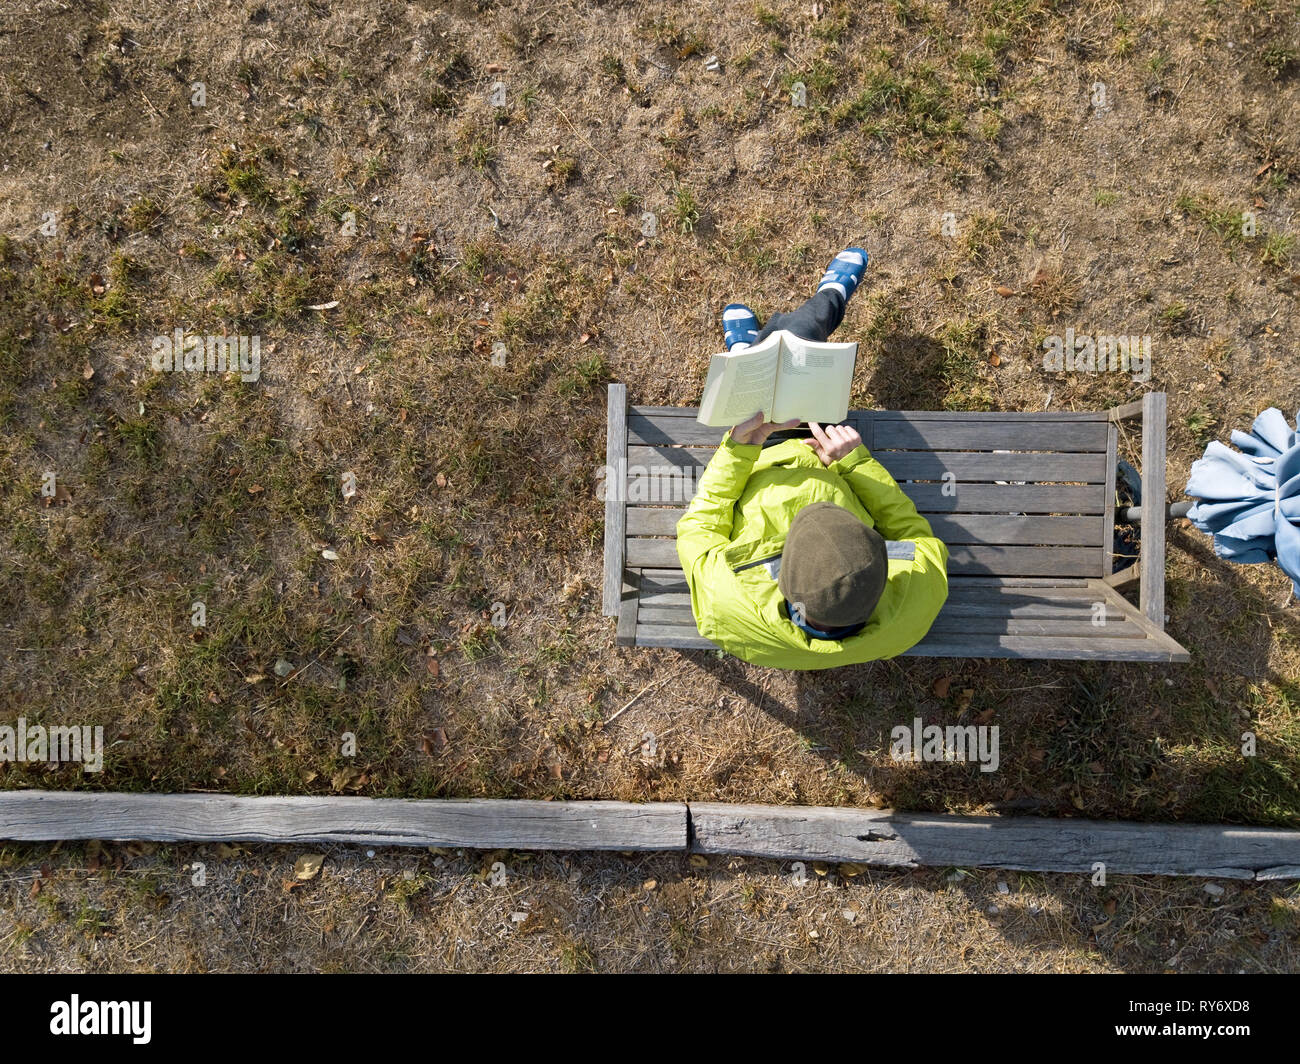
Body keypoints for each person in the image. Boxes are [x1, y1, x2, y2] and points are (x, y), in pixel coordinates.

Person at [676, 249, 949, 670]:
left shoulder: (725, 601)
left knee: (784, 351)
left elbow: (701, 523)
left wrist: (739, 449)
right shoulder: (918, 593)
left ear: (784, 578)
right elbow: (912, 531)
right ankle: (820, 301)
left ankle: (752, 347)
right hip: (827, 448)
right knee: (800, 344)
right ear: (881, 567)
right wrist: (852, 463)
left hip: (760, 455)